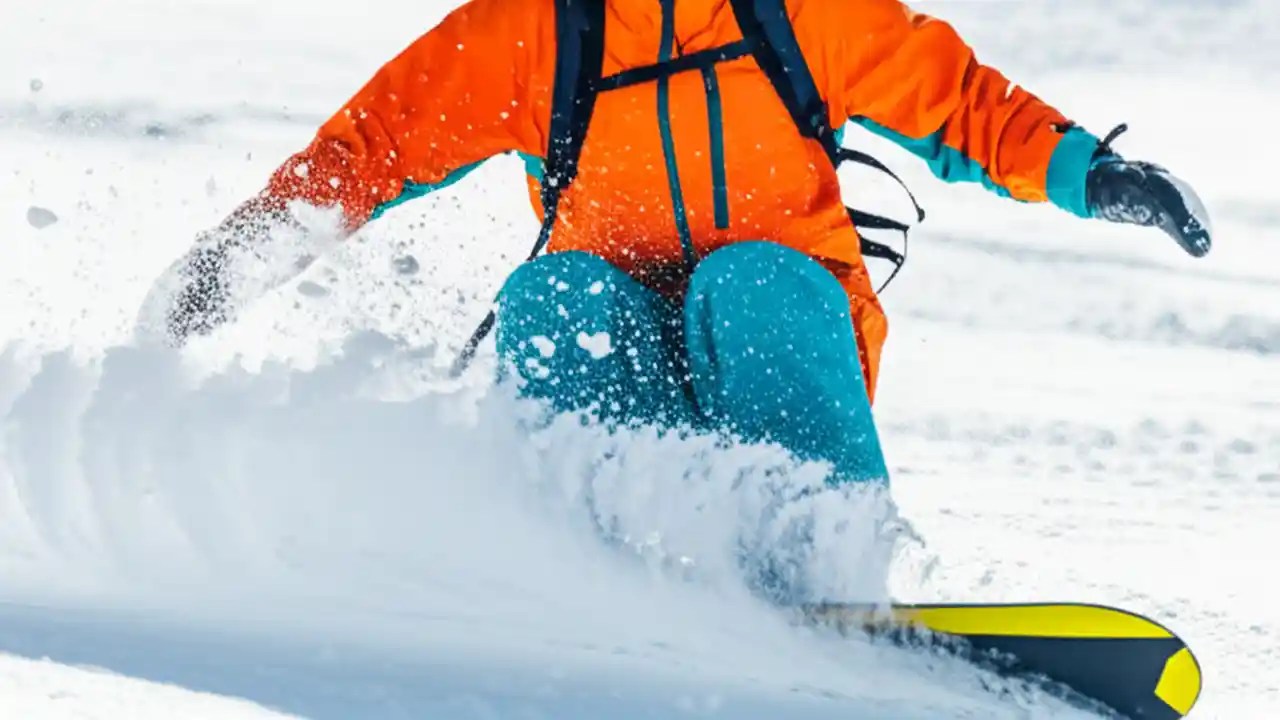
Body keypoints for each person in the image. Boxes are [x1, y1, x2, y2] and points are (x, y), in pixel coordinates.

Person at [139, 0, 1211, 487]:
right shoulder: (534, 31)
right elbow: (370, 152)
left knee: (749, 282)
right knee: (553, 297)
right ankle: (587, 549)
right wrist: (241, 258)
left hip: (781, 325)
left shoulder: (800, 13)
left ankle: (828, 554)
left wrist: (1096, 175)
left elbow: (962, 106)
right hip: (622, 341)